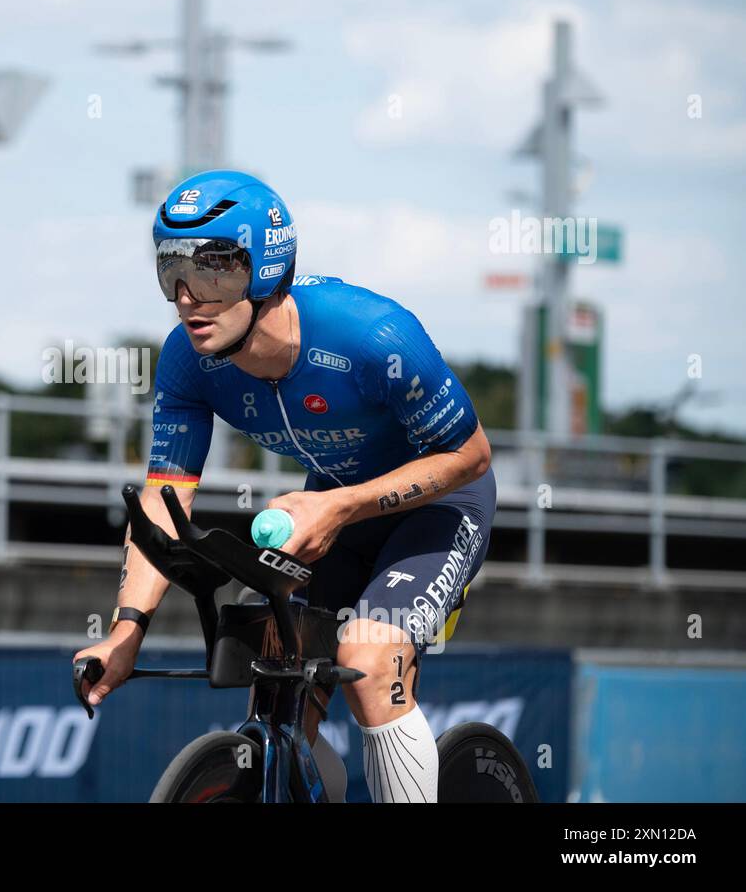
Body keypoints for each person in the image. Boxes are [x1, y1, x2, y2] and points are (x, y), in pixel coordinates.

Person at [73, 169, 495, 803]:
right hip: (332, 514)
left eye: (213, 271)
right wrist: (126, 631)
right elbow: (165, 505)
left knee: (371, 657)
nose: (188, 296)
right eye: (172, 272)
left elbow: (472, 455)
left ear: (265, 271)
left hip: (436, 506)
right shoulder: (188, 362)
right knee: (275, 681)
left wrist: (340, 503)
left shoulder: (373, 336)